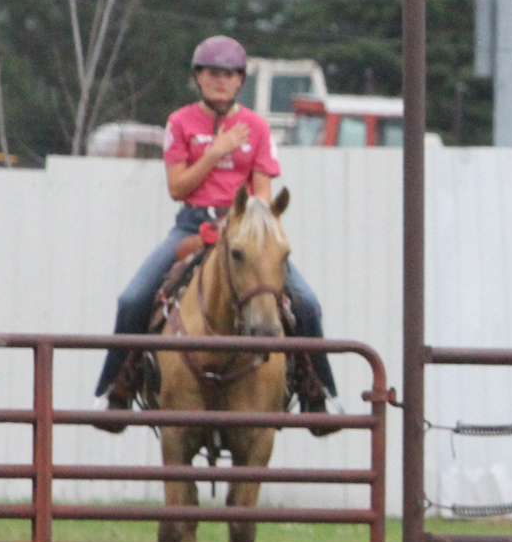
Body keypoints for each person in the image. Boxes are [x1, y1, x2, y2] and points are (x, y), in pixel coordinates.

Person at [94, 35, 338, 416]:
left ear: (241, 79)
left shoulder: (256, 127)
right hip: (191, 225)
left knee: (306, 303)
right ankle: (116, 387)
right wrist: (216, 153)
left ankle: (318, 391)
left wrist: (243, 227)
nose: (220, 80)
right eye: (212, 73)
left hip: (243, 229)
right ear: (198, 78)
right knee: (133, 298)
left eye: (229, 74)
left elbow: (262, 195)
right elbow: (178, 188)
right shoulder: (180, 122)